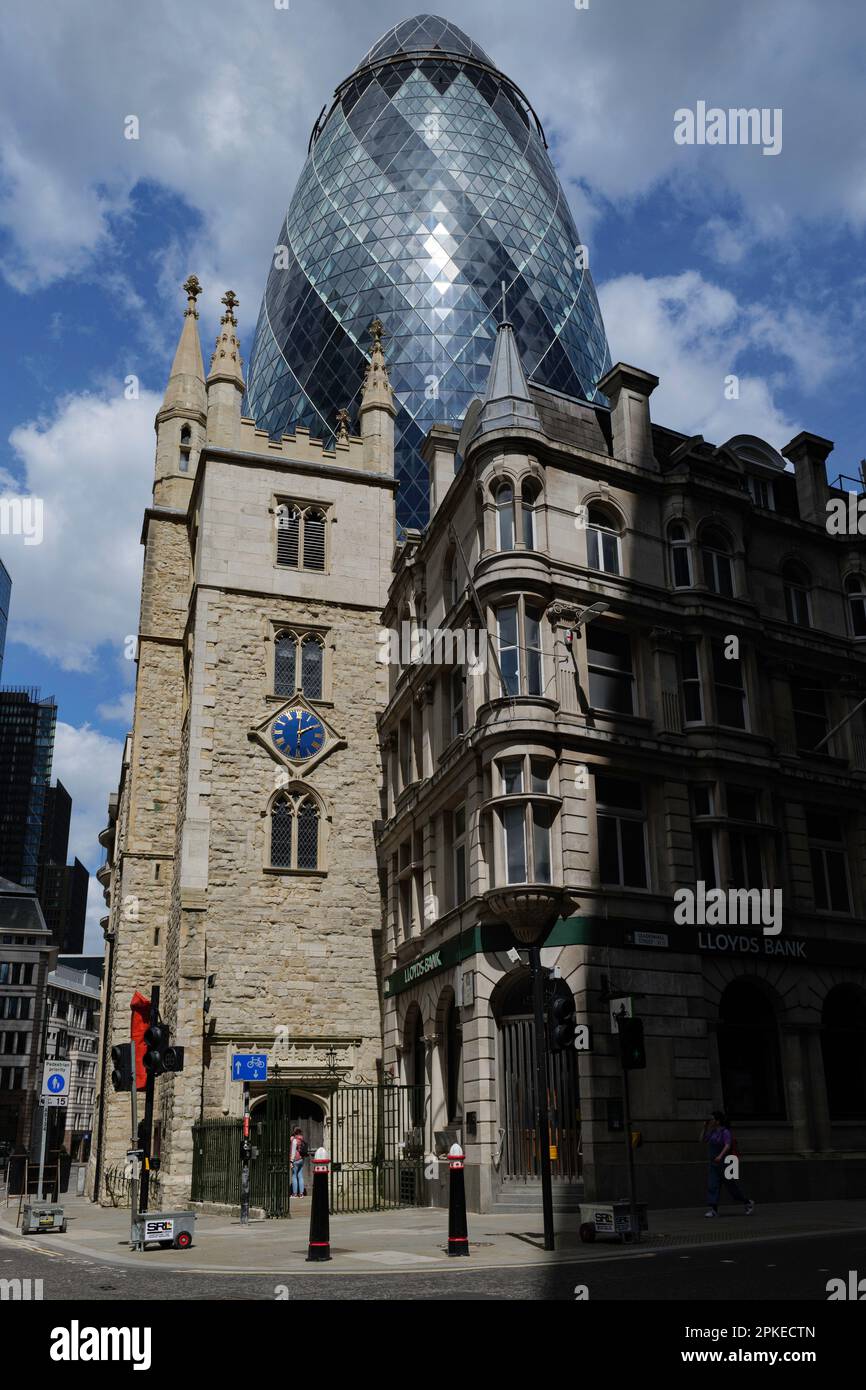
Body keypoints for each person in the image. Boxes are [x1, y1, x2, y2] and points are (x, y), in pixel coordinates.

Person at [700, 1110, 754, 1217]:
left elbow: (727, 1145)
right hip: (714, 1164)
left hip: (726, 1163)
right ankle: (714, 1210)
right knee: (712, 1185)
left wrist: (720, 1156)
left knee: (732, 1187)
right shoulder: (712, 1132)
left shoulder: (725, 1132)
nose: (710, 1121)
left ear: (718, 1121)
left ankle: (748, 1202)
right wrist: (704, 1128)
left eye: (711, 1119)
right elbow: (701, 1139)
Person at [290, 1127, 306, 1197]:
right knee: (300, 1176)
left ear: (294, 1133)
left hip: (295, 1160)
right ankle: (301, 1193)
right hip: (301, 1159)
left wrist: (291, 1161)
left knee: (294, 1176)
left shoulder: (294, 1140)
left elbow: (293, 1151)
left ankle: (294, 1193)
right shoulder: (301, 1139)